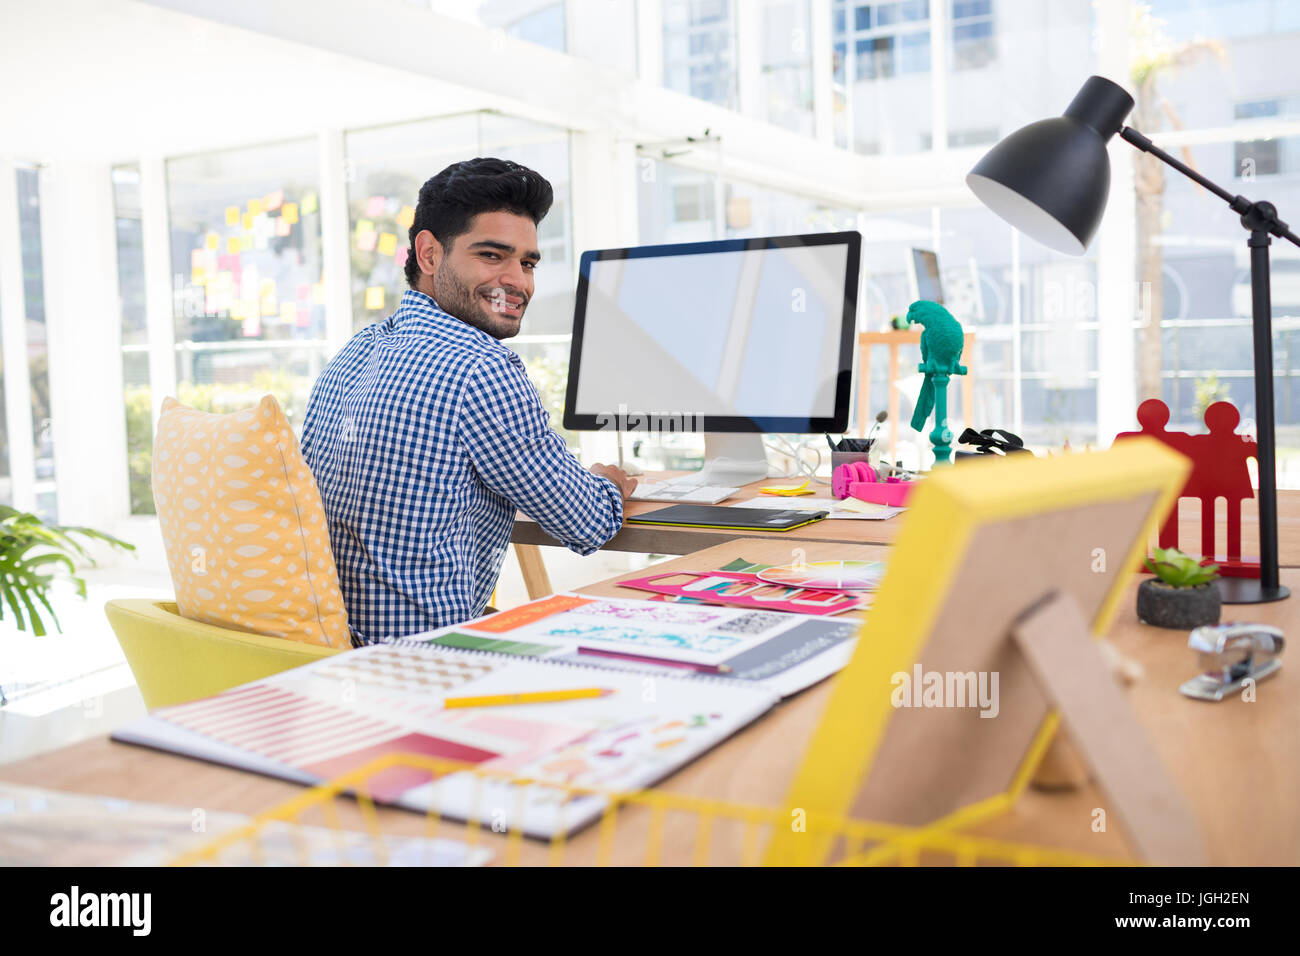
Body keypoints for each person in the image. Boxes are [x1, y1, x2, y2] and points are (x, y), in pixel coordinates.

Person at [301, 157, 635, 642]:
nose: (518, 282)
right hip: (427, 666)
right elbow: (585, 522)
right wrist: (606, 483)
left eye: (527, 262)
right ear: (430, 254)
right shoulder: (482, 369)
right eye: (492, 256)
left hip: (333, 652)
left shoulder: (355, 352)